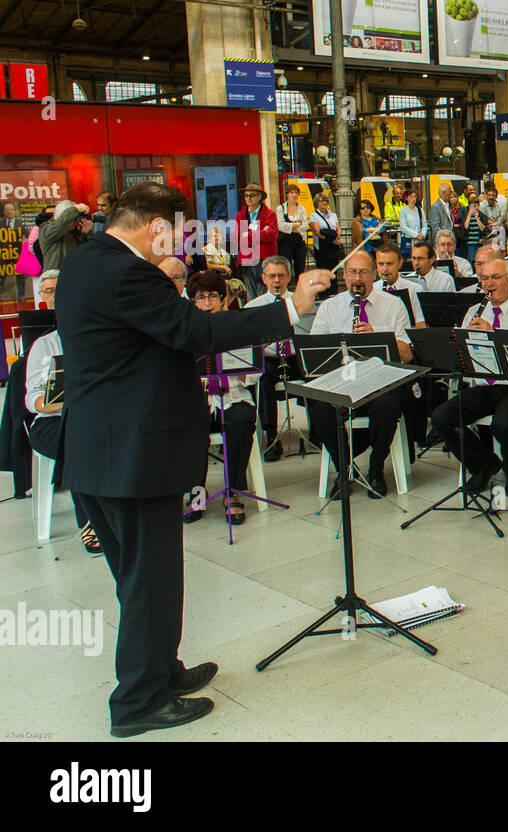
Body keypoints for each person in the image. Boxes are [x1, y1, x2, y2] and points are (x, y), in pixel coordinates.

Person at [58, 182, 326, 737]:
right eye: (176, 231)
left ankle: (161, 671)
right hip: (131, 454)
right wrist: (287, 307)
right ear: (155, 226)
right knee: (148, 582)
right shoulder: (126, 272)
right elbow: (195, 331)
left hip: (101, 447)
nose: (177, 243)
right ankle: (137, 702)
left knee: (141, 577)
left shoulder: (88, 260)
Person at [430, 253, 508, 497]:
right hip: (484, 385)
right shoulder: (474, 311)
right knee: (441, 417)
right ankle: (483, 463)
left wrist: (494, 333)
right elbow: (461, 353)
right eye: (484, 278)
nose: (489, 284)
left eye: (495, 277)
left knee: (502, 424)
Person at [307, 249, 414, 498]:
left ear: (374, 274)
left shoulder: (393, 305)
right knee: (320, 410)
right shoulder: (329, 307)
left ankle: (376, 468)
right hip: (342, 382)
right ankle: (343, 469)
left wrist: (377, 337)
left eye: (364, 272)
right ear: (344, 275)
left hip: (381, 382)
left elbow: (407, 354)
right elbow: (314, 353)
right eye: (352, 272)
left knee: (388, 407)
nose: (358, 278)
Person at [25, 269, 102, 553]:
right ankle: (90, 522)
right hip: (52, 422)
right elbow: (32, 400)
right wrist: (63, 402)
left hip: (91, 417)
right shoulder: (44, 345)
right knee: (76, 441)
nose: (55, 296)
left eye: (59, 289)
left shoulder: (96, 341)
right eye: (48, 291)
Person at [184, 271, 260, 526]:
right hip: (196, 398)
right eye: (201, 297)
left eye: (213, 296)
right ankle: (196, 491)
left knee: (241, 418)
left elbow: (253, 374)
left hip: (232, 393)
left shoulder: (237, 328)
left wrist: (240, 372)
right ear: (192, 301)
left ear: (223, 299)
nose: (207, 303)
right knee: (189, 425)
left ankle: (234, 491)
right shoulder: (186, 331)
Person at [243, 256, 300, 462]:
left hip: (294, 356)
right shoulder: (253, 307)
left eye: (281, 276)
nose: (277, 281)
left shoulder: (299, 302)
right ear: (264, 279)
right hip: (269, 358)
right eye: (272, 276)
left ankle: (319, 430)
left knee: (314, 371)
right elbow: (248, 344)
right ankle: (272, 435)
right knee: (263, 376)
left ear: (289, 277)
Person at [234, 183, 278, 298]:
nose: (248, 198)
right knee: (250, 293)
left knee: (264, 290)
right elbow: (239, 238)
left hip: (264, 257)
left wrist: (248, 235)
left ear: (260, 197)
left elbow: (271, 234)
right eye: (246, 195)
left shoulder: (269, 214)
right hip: (247, 257)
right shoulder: (241, 215)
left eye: (252, 195)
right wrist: (261, 233)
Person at [375, 242, 428, 326]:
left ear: (400, 263)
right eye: (381, 264)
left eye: (389, 264)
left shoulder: (415, 289)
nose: (385, 269)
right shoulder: (371, 289)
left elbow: (421, 325)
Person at [38, 198, 92, 270]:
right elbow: (62, 223)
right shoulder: (46, 229)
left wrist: (86, 233)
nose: (75, 222)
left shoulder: (75, 232)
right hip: (55, 277)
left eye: (76, 219)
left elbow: (86, 251)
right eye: (72, 219)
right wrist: (76, 209)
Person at [308, 193, 342, 278]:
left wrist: (336, 238)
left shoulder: (333, 215)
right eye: (321, 201)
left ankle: (333, 291)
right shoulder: (313, 216)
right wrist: (328, 239)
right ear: (316, 203)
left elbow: (338, 228)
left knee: (334, 272)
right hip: (322, 247)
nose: (324, 203)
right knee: (323, 272)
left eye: (325, 201)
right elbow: (317, 231)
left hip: (333, 246)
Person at [276, 187, 309, 276]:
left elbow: (304, 225)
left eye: (296, 193)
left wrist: (293, 227)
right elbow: (280, 225)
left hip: (299, 240)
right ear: (287, 194)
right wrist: (295, 225)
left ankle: (299, 288)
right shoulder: (281, 208)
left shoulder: (301, 208)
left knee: (300, 268)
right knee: (286, 267)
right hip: (285, 241)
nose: (294, 195)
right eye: (292, 192)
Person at [398, 187, 428, 259]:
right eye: (411, 197)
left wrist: (423, 234)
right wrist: (416, 235)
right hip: (408, 239)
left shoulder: (420, 210)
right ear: (406, 198)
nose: (413, 199)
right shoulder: (403, 211)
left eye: (415, 196)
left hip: (419, 240)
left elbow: (424, 224)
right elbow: (403, 227)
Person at [463, 194, 487, 264]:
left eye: (475, 205)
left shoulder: (482, 216)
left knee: (481, 260)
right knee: (472, 260)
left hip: (480, 242)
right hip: (471, 242)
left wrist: (477, 218)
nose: (474, 208)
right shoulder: (467, 215)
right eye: (472, 206)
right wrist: (469, 215)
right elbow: (466, 226)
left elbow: (482, 228)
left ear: (479, 206)